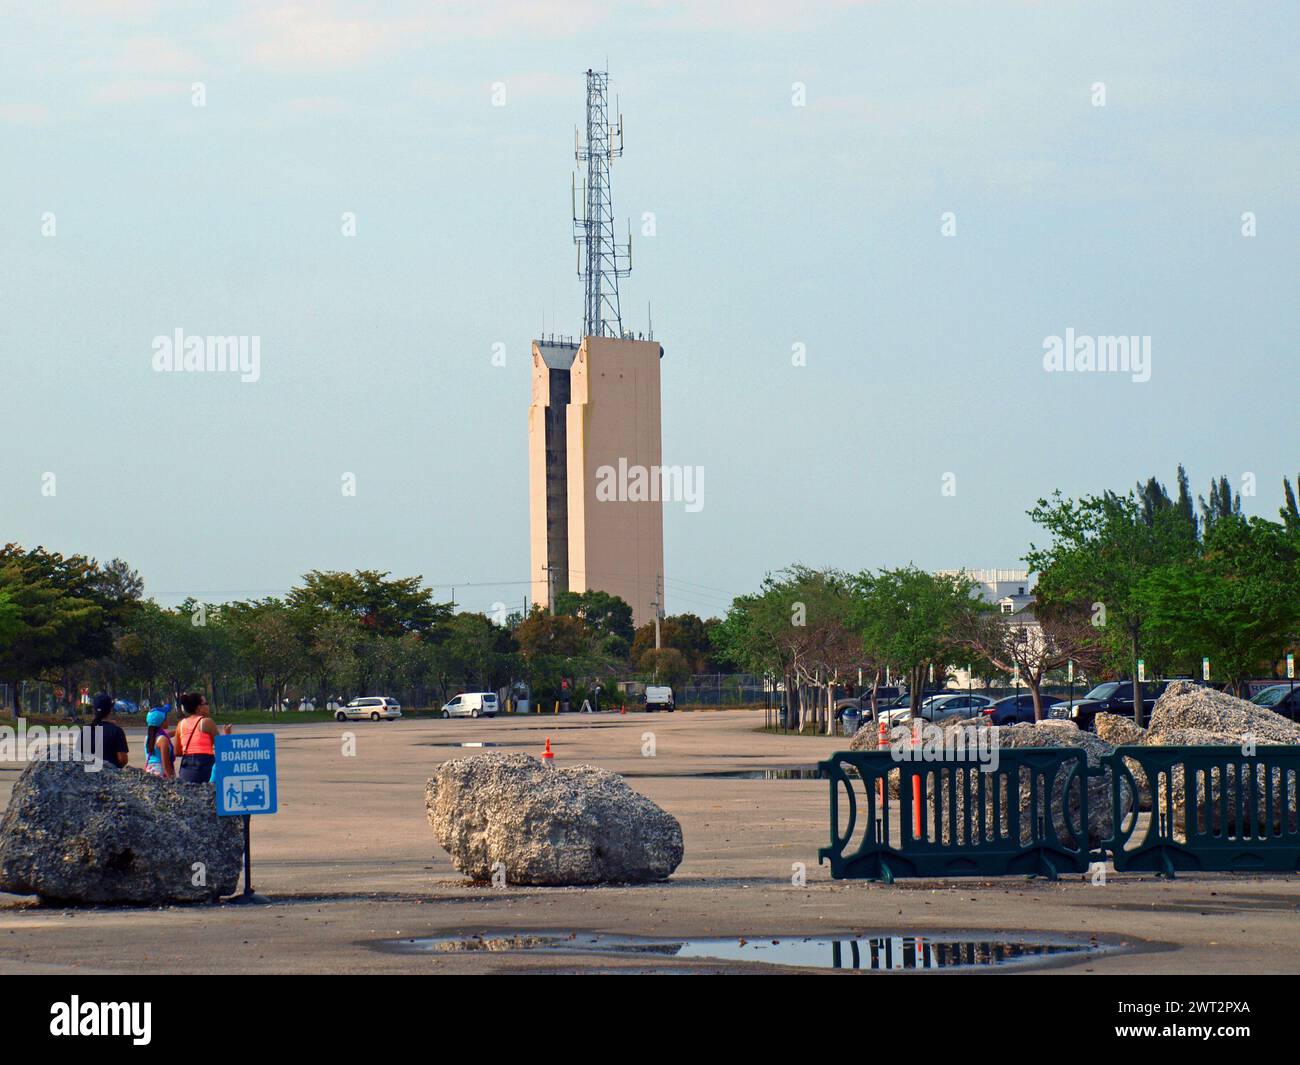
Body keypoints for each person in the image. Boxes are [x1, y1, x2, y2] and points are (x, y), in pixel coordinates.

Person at [174, 692, 232, 783]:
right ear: (199, 708)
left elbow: (177, 752)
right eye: (206, 703)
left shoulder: (180, 724)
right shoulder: (206, 722)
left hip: (186, 769)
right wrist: (227, 735)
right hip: (204, 766)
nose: (208, 706)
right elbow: (221, 748)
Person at [79, 692, 129, 769]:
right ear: (110, 710)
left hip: (89, 776)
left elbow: (79, 757)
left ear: (94, 710)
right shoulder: (116, 731)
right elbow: (122, 759)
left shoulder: (86, 730)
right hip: (111, 777)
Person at [143, 705, 175, 778]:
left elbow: (167, 734)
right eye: (166, 718)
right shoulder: (163, 740)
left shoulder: (148, 738)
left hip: (150, 772)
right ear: (162, 722)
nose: (168, 720)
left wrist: (180, 730)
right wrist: (173, 781)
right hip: (161, 773)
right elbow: (166, 766)